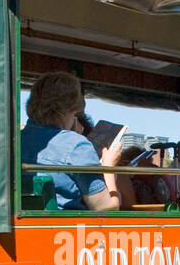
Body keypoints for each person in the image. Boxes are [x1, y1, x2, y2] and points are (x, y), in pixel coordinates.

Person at [20, 73, 127, 210]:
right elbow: (106, 209)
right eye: (75, 113)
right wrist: (109, 168)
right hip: (67, 229)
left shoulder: (13, 142)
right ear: (68, 110)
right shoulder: (76, 145)